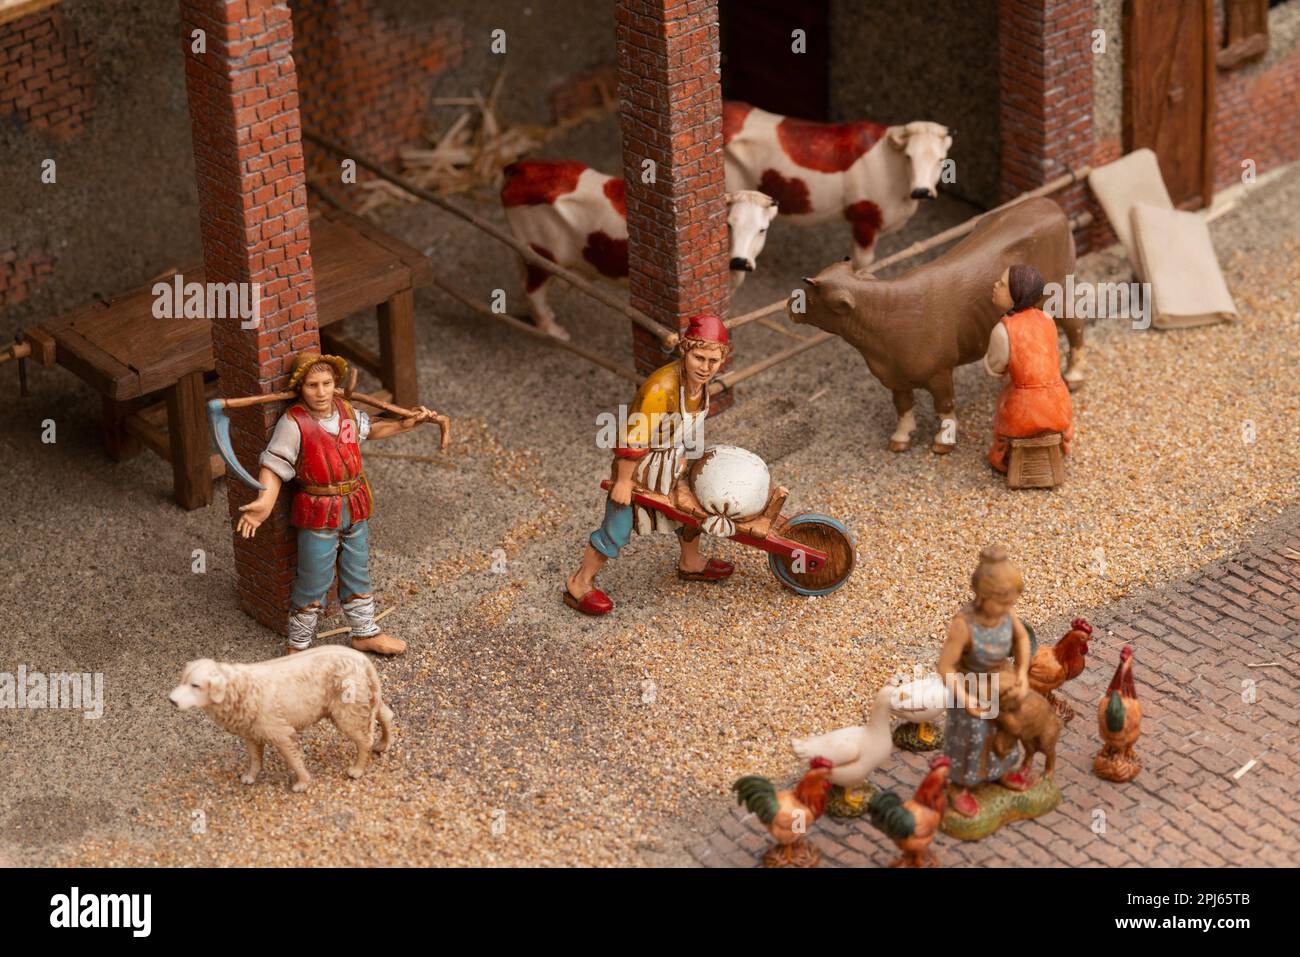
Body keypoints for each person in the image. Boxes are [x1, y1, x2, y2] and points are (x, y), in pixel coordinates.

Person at [235, 352, 439, 655]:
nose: (321, 392)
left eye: (327, 383)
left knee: (357, 570)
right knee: (314, 577)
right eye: (312, 385)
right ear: (300, 388)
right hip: (317, 508)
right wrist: (265, 502)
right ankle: (298, 646)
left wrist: (406, 425)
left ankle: (365, 632)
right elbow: (275, 465)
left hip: (354, 503)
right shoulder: (294, 423)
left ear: (335, 384)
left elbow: (372, 429)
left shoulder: (345, 411)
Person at [563, 313, 734, 616]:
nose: (706, 367)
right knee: (618, 525)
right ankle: (579, 583)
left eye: (713, 361)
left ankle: (690, 562)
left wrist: (684, 456)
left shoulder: (699, 385)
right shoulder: (661, 389)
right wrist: (623, 482)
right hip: (640, 468)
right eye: (699, 358)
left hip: (671, 462)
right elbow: (633, 438)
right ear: (684, 351)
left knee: (691, 513)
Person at [938, 545, 1034, 818]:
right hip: (972, 685)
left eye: (1010, 603)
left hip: (1000, 682)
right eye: (1002, 602)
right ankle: (959, 786)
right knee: (974, 735)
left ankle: (999, 771)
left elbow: (1022, 639)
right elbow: (945, 666)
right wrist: (965, 698)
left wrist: (1022, 672)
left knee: (1005, 729)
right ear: (983, 596)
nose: (1007, 608)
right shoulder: (964, 625)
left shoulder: (1007, 615)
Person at [983, 264, 1074, 472]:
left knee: (1004, 407)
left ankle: (1002, 457)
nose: (995, 286)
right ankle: (1063, 442)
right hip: (1059, 404)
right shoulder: (1048, 319)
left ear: (1016, 294)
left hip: (1026, 411)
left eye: (1002, 284)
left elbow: (995, 369)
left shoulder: (1003, 330)